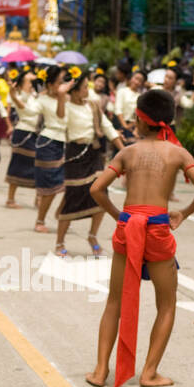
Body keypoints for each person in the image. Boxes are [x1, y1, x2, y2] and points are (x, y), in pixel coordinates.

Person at [85, 88, 194, 387]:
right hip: (157, 225)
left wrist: (119, 215)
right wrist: (183, 213)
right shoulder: (179, 153)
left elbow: (96, 189)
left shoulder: (127, 152)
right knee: (166, 304)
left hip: (129, 224)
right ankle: (149, 372)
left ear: (140, 121)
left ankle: (101, 371)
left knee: (114, 301)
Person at [56, 70, 125, 258]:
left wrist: (124, 151)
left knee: (101, 194)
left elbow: (108, 128)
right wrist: (61, 95)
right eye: (86, 86)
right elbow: (60, 119)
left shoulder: (93, 106)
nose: (89, 89)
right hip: (74, 156)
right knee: (73, 197)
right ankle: (59, 242)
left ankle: (92, 236)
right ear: (76, 91)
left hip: (93, 155)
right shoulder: (66, 106)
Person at [33, 67, 69, 233]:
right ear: (50, 84)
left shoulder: (70, 98)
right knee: (51, 187)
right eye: (60, 82)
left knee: (72, 184)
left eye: (65, 81)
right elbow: (28, 112)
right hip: (49, 142)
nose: (63, 85)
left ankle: (59, 211)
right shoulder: (42, 99)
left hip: (68, 142)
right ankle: (40, 220)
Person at [5, 69, 41, 208]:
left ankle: (38, 198)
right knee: (18, 165)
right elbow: (17, 102)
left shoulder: (35, 95)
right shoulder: (19, 95)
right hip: (23, 133)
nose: (31, 83)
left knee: (38, 166)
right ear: (20, 84)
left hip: (36, 133)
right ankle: (10, 199)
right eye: (28, 81)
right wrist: (13, 92)